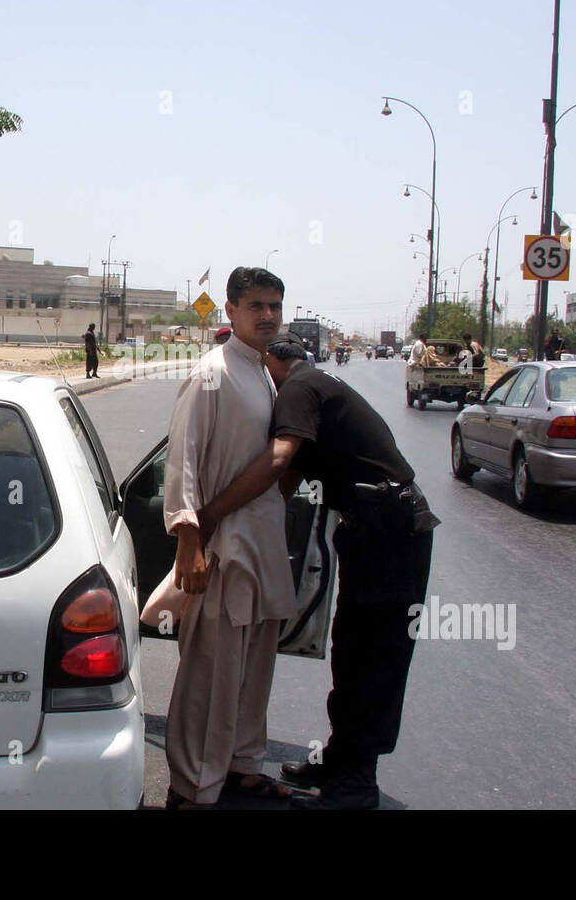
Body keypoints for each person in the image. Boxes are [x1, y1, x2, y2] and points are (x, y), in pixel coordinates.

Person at [196, 331, 439, 809]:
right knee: (350, 651)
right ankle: (341, 760)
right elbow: (285, 483)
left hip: (390, 531)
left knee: (375, 657)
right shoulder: (311, 386)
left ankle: (356, 783)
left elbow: (279, 459)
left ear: (271, 364)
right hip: (374, 527)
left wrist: (207, 517)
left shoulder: (298, 389)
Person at [162, 266, 298, 809]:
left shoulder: (264, 373)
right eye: (256, 306)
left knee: (254, 665)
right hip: (222, 549)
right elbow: (183, 463)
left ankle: (243, 764)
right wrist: (188, 541)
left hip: (262, 545)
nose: (267, 316)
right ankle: (194, 784)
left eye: (275, 307)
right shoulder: (213, 372)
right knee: (211, 671)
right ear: (232, 310)